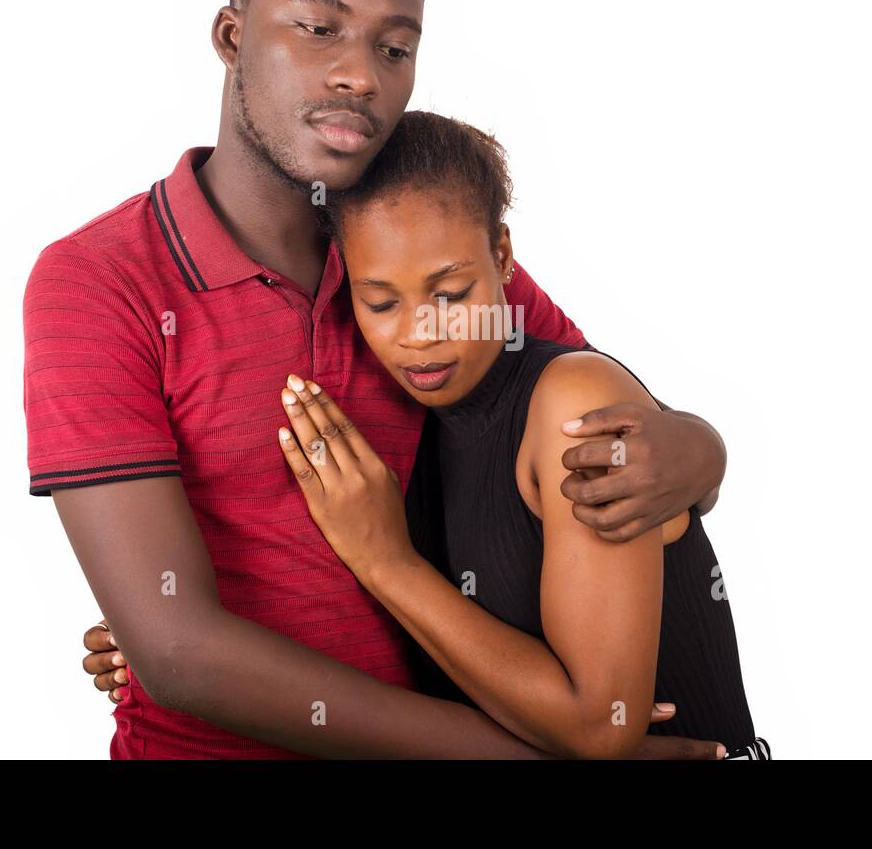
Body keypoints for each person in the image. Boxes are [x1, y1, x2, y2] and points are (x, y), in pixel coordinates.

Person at [31, 0, 728, 759]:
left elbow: (592, 420)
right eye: (320, 28)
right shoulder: (100, 279)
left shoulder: (410, 258)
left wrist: (701, 452)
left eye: (394, 48)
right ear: (231, 35)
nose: (361, 73)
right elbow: (179, 651)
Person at [268, 110, 768, 758]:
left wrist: (386, 562)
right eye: (381, 302)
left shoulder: (572, 400)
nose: (420, 332)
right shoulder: (410, 435)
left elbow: (600, 725)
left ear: (502, 256)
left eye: (450, 292)